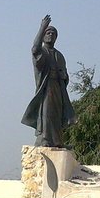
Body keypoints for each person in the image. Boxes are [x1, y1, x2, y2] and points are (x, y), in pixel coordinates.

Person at [21, 14, 76, 147]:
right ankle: (45, 138)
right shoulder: (42, 51)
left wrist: (64, 77)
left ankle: (57, 141)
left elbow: (65, 74)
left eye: (53, 33)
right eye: (48, 32)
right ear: (43, 36)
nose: (50, 35)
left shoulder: (59, 55)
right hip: (46, 87)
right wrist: (42, 27)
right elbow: (35, 49)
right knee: (46, 112)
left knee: (57, 114)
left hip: (58, 88)